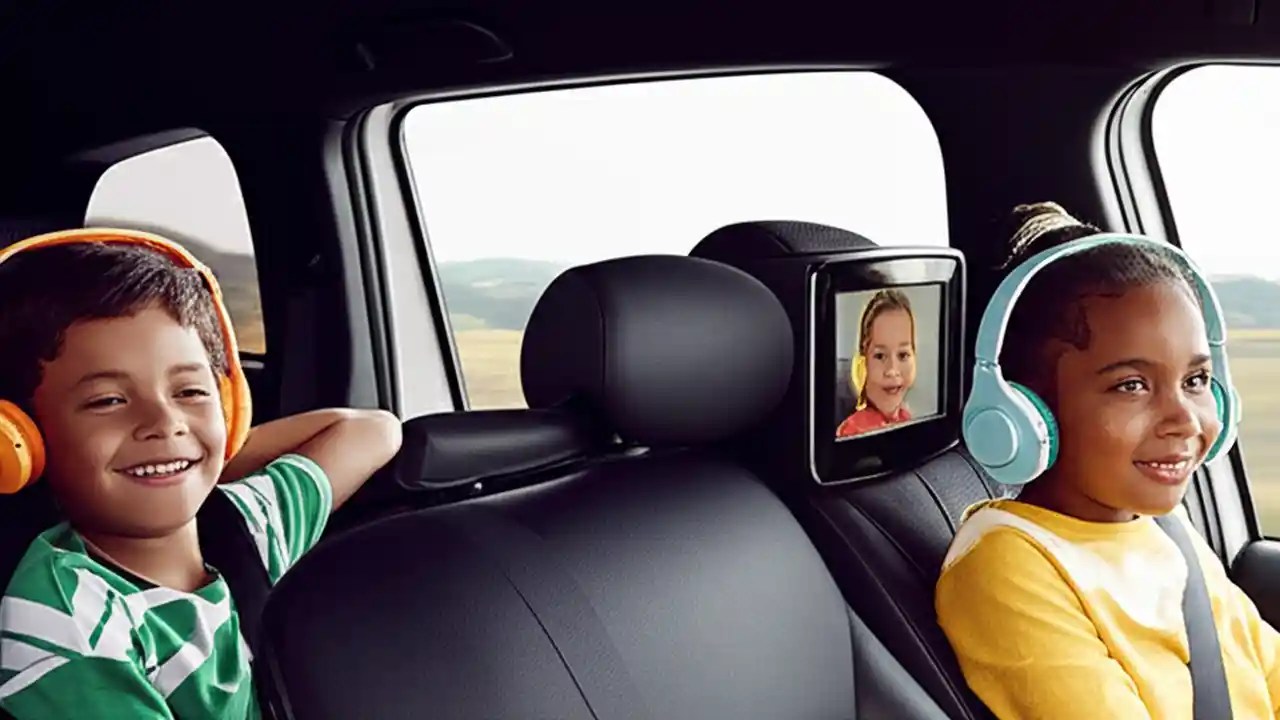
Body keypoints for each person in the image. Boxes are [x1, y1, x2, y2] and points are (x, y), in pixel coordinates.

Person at [0, 230, 403, 719]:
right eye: (108, 401)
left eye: (190, 392)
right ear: (20, 439)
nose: (164, 422)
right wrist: (180, 462)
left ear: (230, 408)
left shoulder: (248, 527)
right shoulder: (63, 619)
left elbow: (370, 429)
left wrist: (206, 455)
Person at [935, 202, 1280, 718]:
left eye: (1196, 381)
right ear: (1025, 411)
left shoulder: (1165, 528)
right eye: (1131, 385)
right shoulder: (1007, 565)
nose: (1184, 419)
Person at [836, 289, 917, 438]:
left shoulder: (906, 418)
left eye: (903, 355)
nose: (892, 370)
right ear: (862, 363)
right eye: (880, 356)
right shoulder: (852, 430)